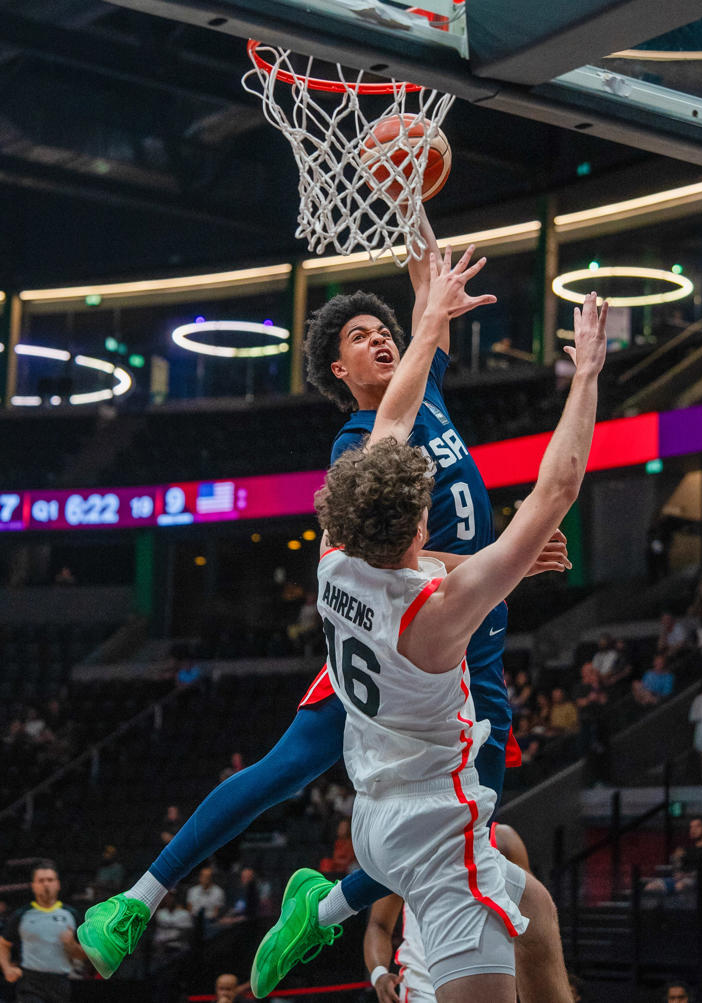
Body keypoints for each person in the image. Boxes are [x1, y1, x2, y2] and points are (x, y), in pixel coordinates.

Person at [77, 223, 570, 978]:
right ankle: (137, 899)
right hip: (407, 633)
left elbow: (425, 281)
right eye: (361, 337)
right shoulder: (355, 443)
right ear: (339, 369)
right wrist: (502, 560)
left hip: (478, 633)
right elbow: (382, 556)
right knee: (290, 763)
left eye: (385, 331)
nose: (381, 339)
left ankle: (324, 909)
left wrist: (406, 191)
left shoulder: (428, 387)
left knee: (477, 814)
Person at [252, 283, 608, 1000]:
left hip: (374, 818)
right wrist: (588, 375)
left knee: (536, 910)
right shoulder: (439, 614)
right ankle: (334, 918)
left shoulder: (334, 564)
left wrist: (428, 317)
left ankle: (321, 910)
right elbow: (558, 488)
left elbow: (391, 417)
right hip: (438, 842)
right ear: (421, 530)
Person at [363, 824, 529, 1003]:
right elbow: (379, 924)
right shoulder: (405, 849)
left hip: (489, 984)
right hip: (422, 990)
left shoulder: (501, 840)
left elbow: (533, 921)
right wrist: (379, 974)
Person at [0, 861, 86, 1003]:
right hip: (30, 982)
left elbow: (85, 955)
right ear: (33, 885)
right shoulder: (22, 914)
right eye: (41, 880)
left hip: (61, 982)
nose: (46, 884)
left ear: (58, 884)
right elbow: (3, 944)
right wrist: (7, 968)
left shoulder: (71, 914)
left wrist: (72, 946)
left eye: (50, 880)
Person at [643, 817, 702, 894]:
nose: (693, 830)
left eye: (697, 826)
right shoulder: (686, 849)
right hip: (678, 878)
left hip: (695, 880)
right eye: (691, 827)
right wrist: (676, 858)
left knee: (680, 886)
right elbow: (676, 867)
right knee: (651, 887)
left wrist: (686, 875)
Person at [153, 890, 193, 956]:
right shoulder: (160, 913)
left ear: (177, 898)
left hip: (178, 946)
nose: (170, 899)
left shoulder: (185, 914)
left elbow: (186, 933)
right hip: (161, 947)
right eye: (167, 897)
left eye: (172, 896)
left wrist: (168, 940)